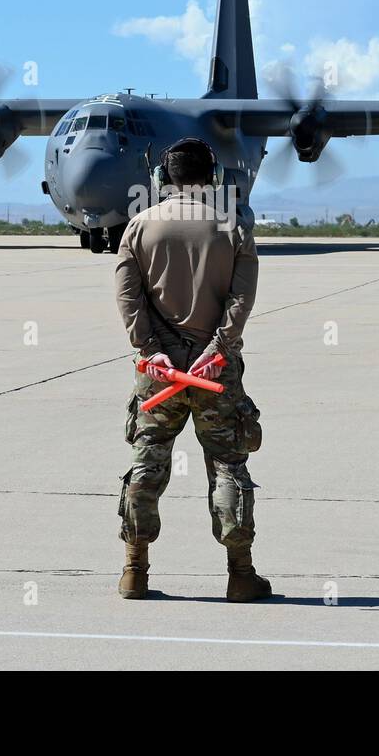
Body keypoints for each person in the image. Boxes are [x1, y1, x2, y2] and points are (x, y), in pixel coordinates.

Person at [112, 136, 270, 602]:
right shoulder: (234, 228)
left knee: (147, 461)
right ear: (215, 178)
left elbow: (129, 297)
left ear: (163, 179)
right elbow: (241, 299)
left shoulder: (139, 227)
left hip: (158, 375)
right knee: (227, 464)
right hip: (215, 373)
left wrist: (152, 349)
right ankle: (240, 575)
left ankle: (134, 571)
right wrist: (218, 349)